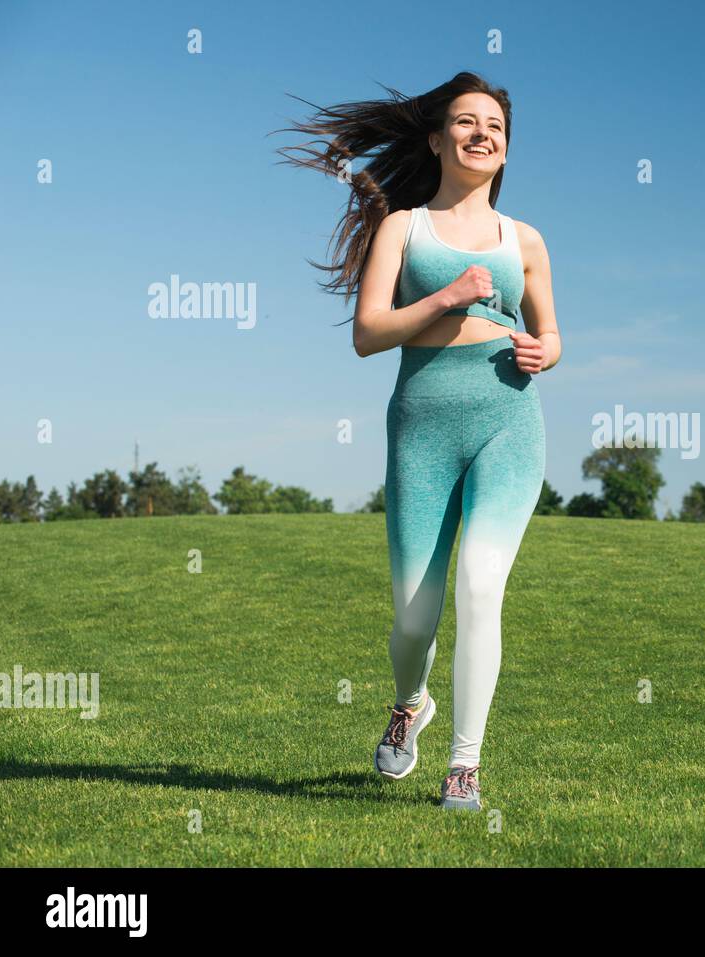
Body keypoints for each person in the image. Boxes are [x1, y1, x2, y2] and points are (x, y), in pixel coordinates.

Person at [276, 72, 561, 810]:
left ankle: (464, 765)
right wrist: (446, 297)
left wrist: (545, 351)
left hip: (507, 420)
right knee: (412, 615)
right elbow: (369, 334)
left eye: (494, 125)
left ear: (505, 148)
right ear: (436, 139)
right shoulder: (402, 226)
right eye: (465, 122)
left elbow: (553, 332)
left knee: (480, 584)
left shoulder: (524, 239)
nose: (481, 134)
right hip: (422, 425)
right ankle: (410, 702)